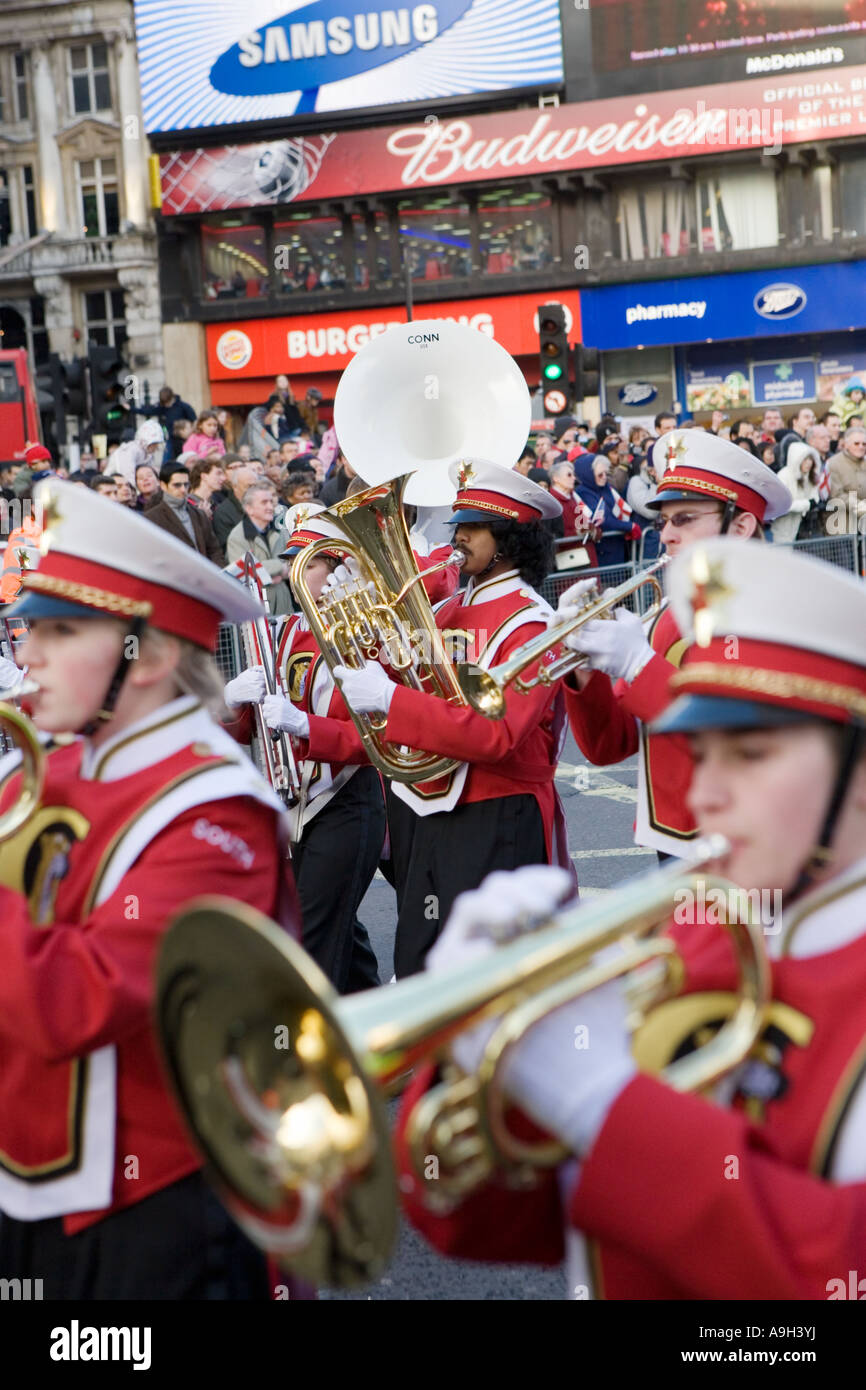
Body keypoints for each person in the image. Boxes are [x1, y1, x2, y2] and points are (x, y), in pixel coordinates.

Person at [396, 536, 866, 1300]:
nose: (705, 794)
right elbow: (479, 1220)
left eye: (749, 755)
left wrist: (606, 1108)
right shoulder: (694, 936)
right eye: (699, 753)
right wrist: (480, 1055)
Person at [0, 477, 299, 1300]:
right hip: (34, 1184)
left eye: (62, 631)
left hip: (152, 1209)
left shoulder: (219, 814)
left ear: (154, 654)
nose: (27, 655)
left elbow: (73, 1001)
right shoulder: (54, 765)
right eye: (30, 630)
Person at [303, 460, 573, 978]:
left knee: (490, 976)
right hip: (425, 811)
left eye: (473, 528)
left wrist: (389, 698)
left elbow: (498, 735)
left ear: (509, 538)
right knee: (424, 968)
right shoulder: (448, 609)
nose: (458, 536)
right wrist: (361, 619)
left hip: (496, 812)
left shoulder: (532, 621)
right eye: (458, 524)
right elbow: (405, 683)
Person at [561, 430, 791, 857]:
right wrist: (585, 668)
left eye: (685, 519)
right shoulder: (670, 610)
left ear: (741, 526)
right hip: (671, 836)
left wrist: (636, 664)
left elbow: (736, 735)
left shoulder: (770, 611)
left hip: (744, 843)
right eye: (662, 521)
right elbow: (610, 746)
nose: (666, 535)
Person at [226, 505, 382, 993]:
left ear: (336, 566)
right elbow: (247, 730)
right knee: (339, 934)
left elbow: (379, 737)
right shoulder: (287, 630)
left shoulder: (367, 636)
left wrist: (306, 725)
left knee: (311, 943)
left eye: (308, 563)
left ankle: (307, 1053)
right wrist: (231, 702)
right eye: (292, 561)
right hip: (292, 807)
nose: (295, 574)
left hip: (344, 803)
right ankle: (376, 1029)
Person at [225, 481, 291, 615]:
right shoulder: (237, 537)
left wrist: (266, 572)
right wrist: (279, 567)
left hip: (283, 600)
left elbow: (292, 563)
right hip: (256, 606)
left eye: (271, 502)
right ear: (249, 509)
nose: (270, 507)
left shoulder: (279, 531)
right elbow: (244, 571)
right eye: (264, 502)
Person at [144, 463, 225, 566]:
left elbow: (214, 550)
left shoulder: (199, 514)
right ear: (163, 485)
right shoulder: (152, 518)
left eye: (186, 485)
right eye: (177, 485)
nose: (183, 489)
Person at [573, 453, 640, 567]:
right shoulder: (583, 492)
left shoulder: (606, 488)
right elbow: (603, 519)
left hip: (618, 547)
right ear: (588, 474)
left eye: (606, 473)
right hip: (603, 552)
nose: (604, 477)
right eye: (600, 475)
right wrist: (629, 526)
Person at [773, 441, 822, 544]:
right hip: (782, 530)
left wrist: (813, 502)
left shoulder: (808, 476)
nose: (808, 463)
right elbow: (782, 505)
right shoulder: (784, 476)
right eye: (804, 459)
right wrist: (807, 504)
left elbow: (814, 497)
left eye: (810, 459)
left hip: (800, 529)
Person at [211, 457, 263, 548]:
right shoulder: (223, 513)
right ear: (235, 487)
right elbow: (228, 547)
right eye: (249, 486)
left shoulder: (264, 505)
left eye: (255, 486)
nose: (253, 490)